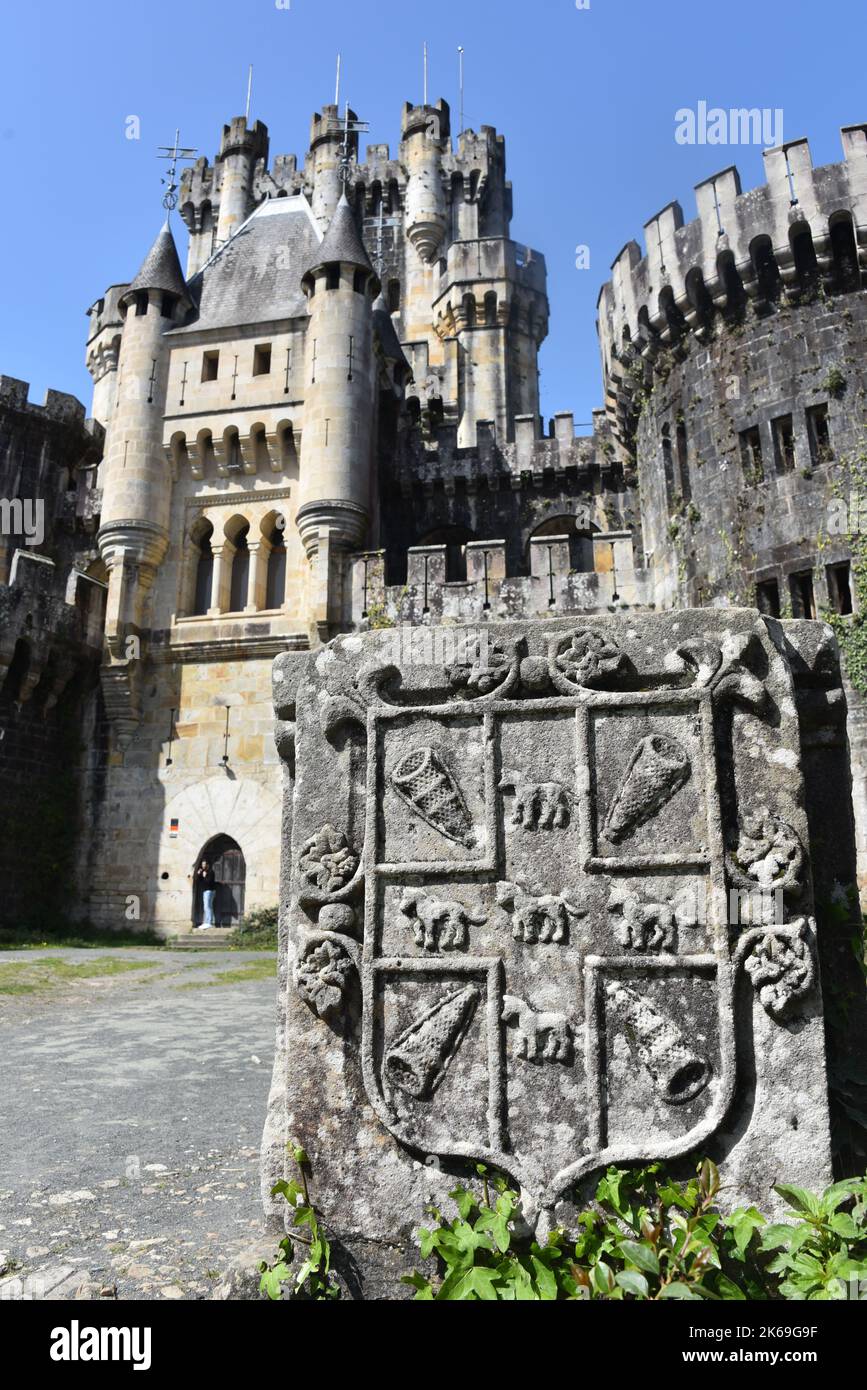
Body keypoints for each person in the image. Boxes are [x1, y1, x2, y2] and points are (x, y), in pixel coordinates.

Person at [196, 859, 217, 929]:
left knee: (207, 906)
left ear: (208, 865)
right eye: (202, 864)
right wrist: (199, 874)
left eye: (204, 864)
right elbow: (200, 881)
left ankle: (208, 923)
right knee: (209, 906)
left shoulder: (211, 872)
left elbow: (208, 882)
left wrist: (205, 876)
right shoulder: (203, 872)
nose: (203, 866)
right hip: (206, 891)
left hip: (209, 891)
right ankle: (208, 922)